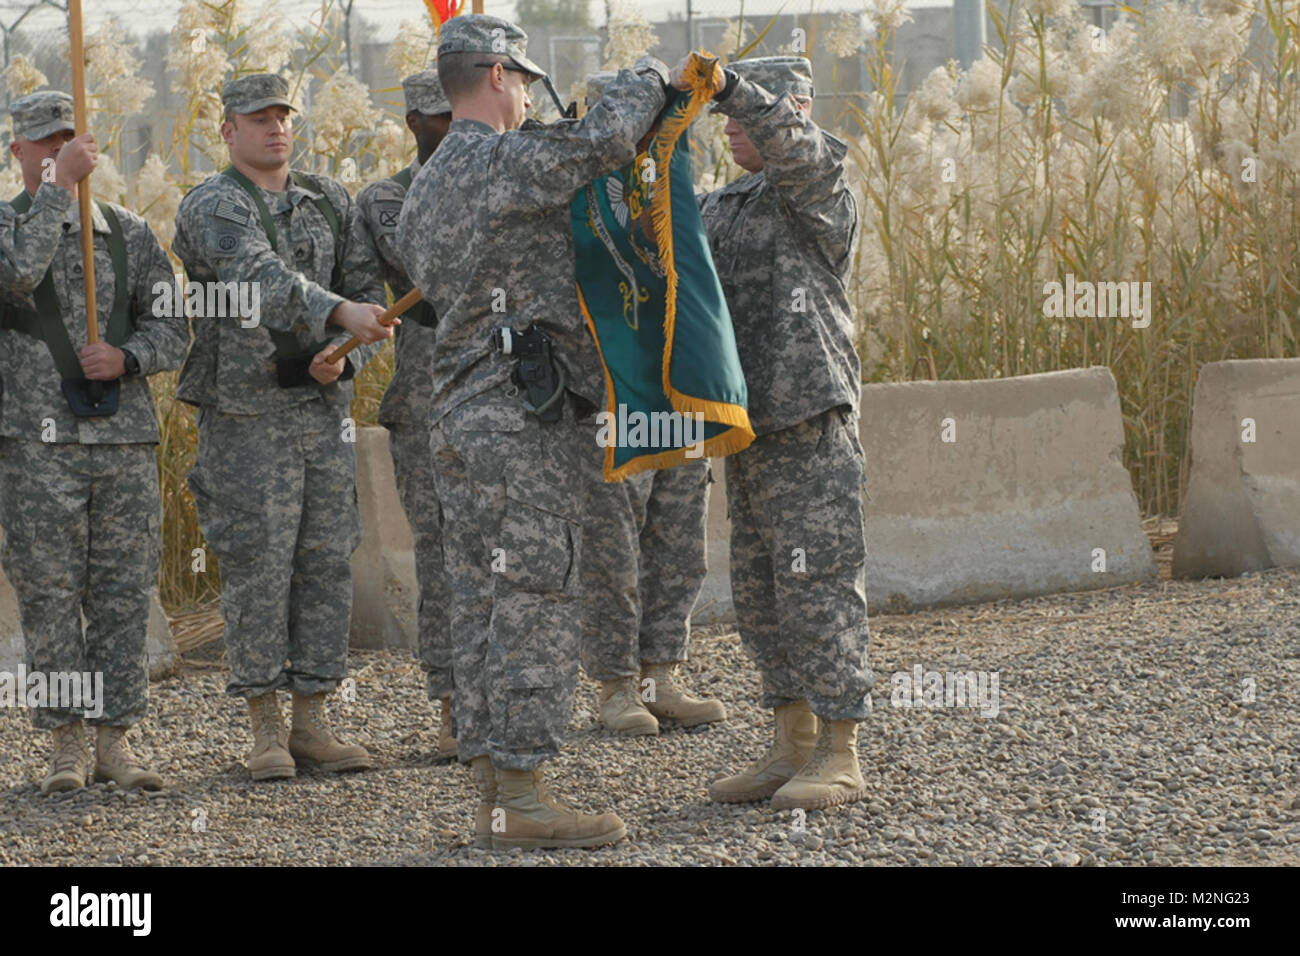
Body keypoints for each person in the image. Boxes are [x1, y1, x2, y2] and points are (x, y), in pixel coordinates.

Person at [397, 14, 713, 849]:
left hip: (461, 409)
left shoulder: (425, 186)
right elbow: (603, 142)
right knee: (536, 592)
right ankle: (526, 793)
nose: (534, 96)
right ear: (497, 74)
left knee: (481, 596)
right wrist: (645, 78)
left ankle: (497, 789)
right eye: (527, 81)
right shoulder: (500, 163)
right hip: (520, 416)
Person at [172, 73, 393, 782]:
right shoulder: (212, 205)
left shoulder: (329, 199)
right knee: (257, 565)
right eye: (257, 119)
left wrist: (348, 349)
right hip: (246, 416)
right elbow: (256, 278)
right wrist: (339, 316)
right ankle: (264, 727)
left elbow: (368, 292)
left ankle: (312, 721)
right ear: (228, 130)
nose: (275, 129)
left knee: (325, 559)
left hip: (321, 411)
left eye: (282, 117)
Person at [698, 57, 875, 811]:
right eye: (728, 115)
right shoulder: (722, 203)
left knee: (820, 583)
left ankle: (840, 748)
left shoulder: (818, 184)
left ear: (796, 108)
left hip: (807, 412)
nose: (733, 124)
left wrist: (740, 88)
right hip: (748, 424)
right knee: (765, 590)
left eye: (751, 110)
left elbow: (799, 149)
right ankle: (791, 740)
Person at [0, 90, 187, 794]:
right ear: (18, 151)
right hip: (35, 445)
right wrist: (56, 190)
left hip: (120, 441)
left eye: (67, 142)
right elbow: (17, 273)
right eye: (42, 144)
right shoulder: (5, 224)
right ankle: (65, 745)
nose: (55, 152)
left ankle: (117, 742)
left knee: (121, 592)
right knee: (49, 595)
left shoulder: (129, 234)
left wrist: (130, 356)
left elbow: (173, 325)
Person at [580, 70, 725, 738]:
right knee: (613, 546)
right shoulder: (573, 195)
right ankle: (613, 684)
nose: (645, 127)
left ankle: (661, 671)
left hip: (677, 380)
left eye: (655, 116)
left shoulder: (672, 183)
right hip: (612, 388)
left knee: (679, 531)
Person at [352, 68, 456, 760]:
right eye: (437, 118)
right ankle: (455, 704)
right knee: (444, 555)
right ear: (414, 123)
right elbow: (408, 289)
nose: (452, 129)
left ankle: (525, 702)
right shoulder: (387, 200)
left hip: (522, 399)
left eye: (462, 113)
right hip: (430, 403)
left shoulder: (518, 180)